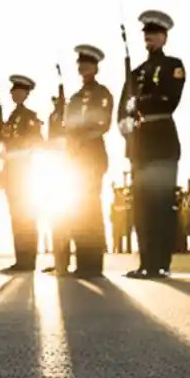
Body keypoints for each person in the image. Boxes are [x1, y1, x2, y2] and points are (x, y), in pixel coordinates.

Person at [120, 9, 186, 279]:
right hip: (140, 142)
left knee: (161, 204)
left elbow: (170, 99)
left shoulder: (173, 65)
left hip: (162, 139)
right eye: (147, 35)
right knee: (141, 206)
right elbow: (123, 106)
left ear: (164, 38)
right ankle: (146, 261)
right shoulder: (135, 72)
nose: (150, 38)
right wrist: (124, 122)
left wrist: (141, 103)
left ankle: (161, 262)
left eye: (155, 34)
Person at [51, 45, 113, 278]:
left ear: (96, 67)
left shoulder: (102, 93)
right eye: (80, 64)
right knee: (78, 210)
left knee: (91, 210)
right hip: (74, 158)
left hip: (92, 154)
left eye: (87, 63)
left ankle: (93, 263)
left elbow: (103, 124)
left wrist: (80, 138)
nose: (83, 67)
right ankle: (82, 261)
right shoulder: (75, 97)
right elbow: (67, 127)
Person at [1, 75, 44, 271]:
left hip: (24, 170)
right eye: (13, 92)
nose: (14, 94)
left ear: (26, 94)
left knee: (26, 214)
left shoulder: (30, 116)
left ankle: (29, 259)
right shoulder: (10, 117)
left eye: (18, 91)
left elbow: (37, 141)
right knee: (15, 215)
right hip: (11, 169)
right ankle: (21, 258)